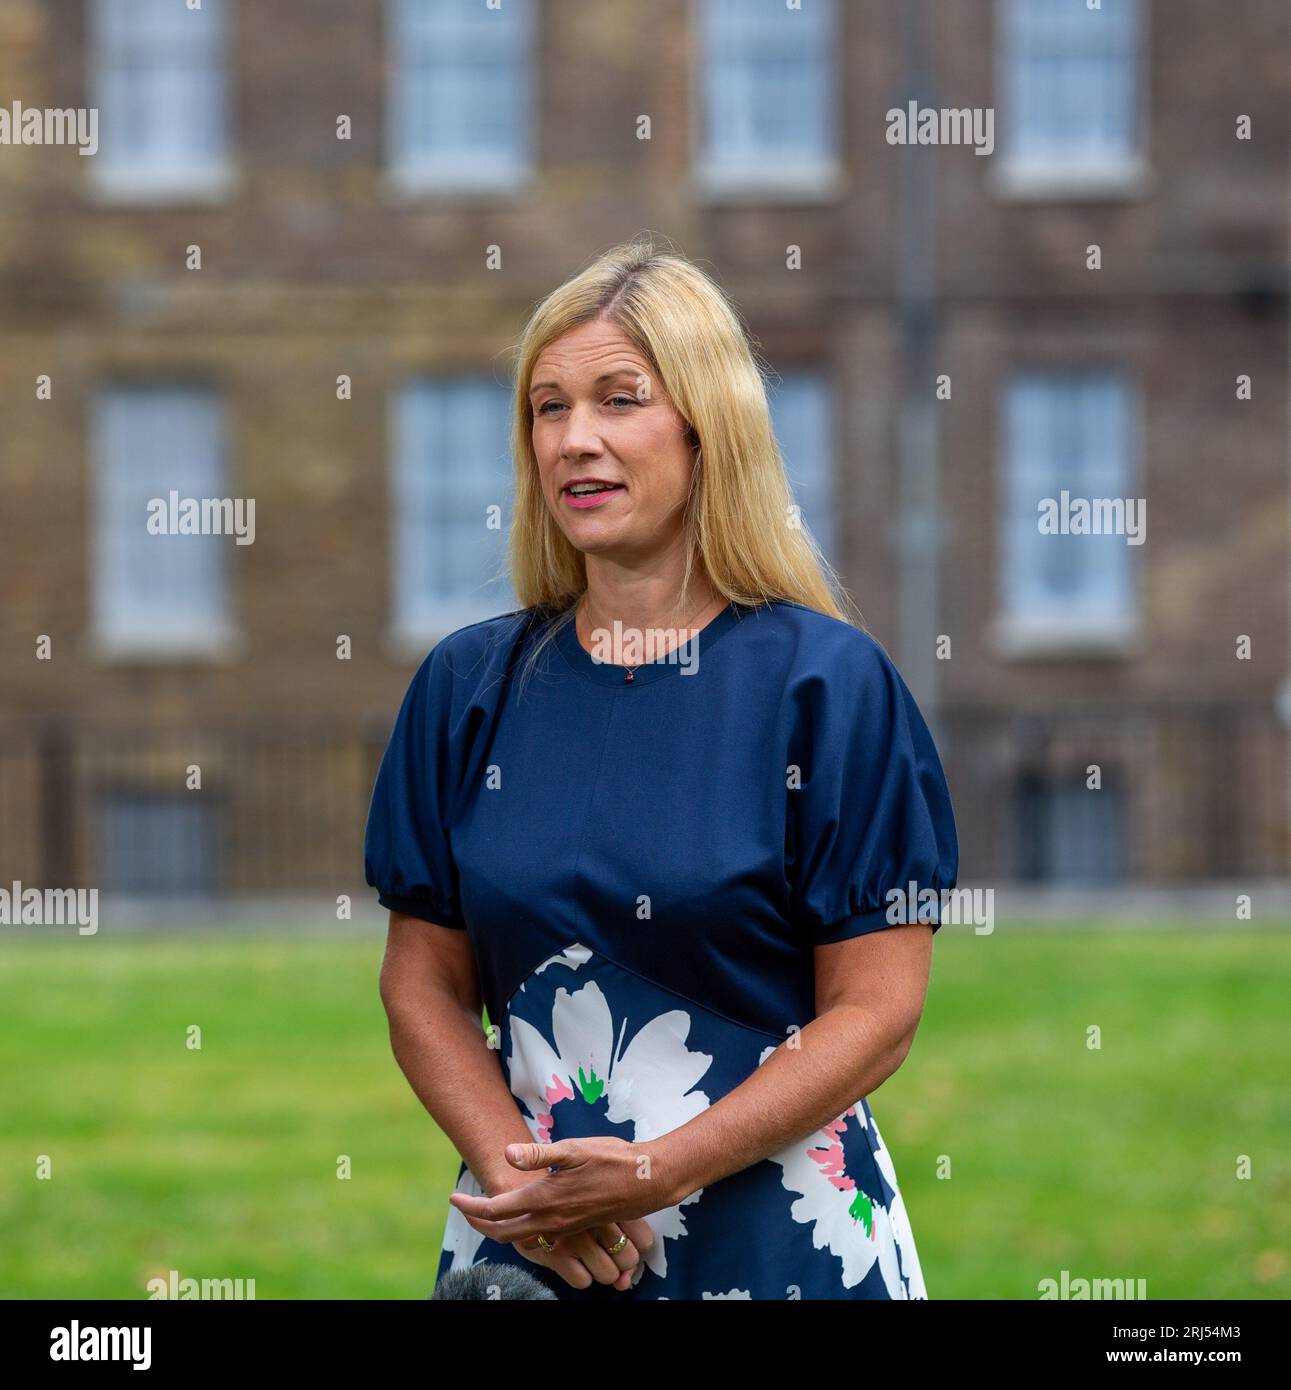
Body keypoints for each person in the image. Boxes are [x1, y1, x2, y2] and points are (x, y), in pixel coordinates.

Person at [366, 236, 959, 1300]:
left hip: (784, 1246)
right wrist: (520, 1181)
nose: (573, 440)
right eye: (548, 408)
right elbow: (423, 983)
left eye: (618, 399)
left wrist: (652, 1170)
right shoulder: (467, 686)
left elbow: (877, 1012)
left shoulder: (827, 686)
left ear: (705, 426)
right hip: (537, 1249)